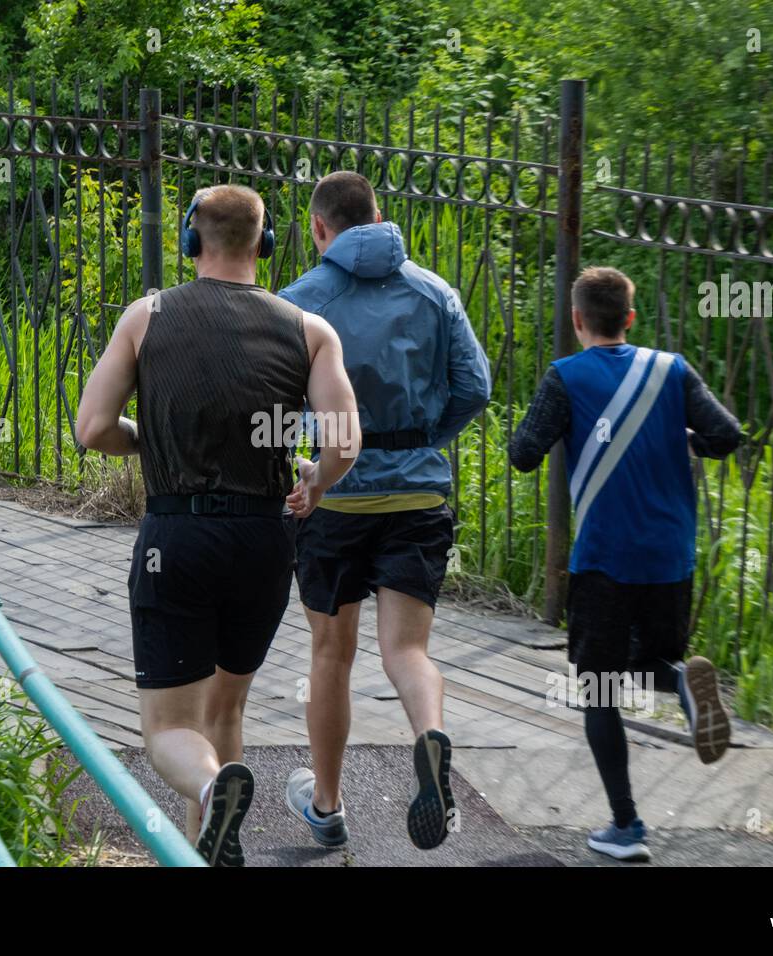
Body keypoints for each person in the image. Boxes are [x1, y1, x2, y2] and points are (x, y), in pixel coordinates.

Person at [74, 184, 359, 866]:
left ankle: (210, 786)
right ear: (265, 244)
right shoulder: (309, 329)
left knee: (170, 727)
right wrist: (314, 485)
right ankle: (211, 849)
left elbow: (91, 429)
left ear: (190, 240)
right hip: (265, 541)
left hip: (177, 538)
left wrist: (153, 441)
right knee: (225, 708)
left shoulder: (146, 317)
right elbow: (345, 439)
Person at [278, 171, 491, 851]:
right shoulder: (434, 292)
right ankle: (429, 737)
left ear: (320, 228)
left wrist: (304, 463)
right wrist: (424, 441)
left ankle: (328, 805)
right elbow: (474, 387)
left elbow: (276, 407)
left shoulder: (300, 303)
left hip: (335, 496)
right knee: (406, 649)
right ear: (379, 215)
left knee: (331, 654)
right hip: (419, 494)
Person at [508, 265, 743, 862]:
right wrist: (679, 437)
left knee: (598, 689)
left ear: (578, 319)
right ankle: (689, 692)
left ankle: (627, 826)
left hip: (604, 559)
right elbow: (727, 435)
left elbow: (523, 454)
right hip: (669, 557)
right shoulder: (672, 369)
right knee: (651, 661)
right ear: (630, 319)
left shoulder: (566, 376)